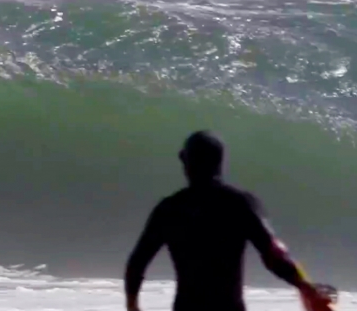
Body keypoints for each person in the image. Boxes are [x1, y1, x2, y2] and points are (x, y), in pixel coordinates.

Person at [123, 131, 334, 311]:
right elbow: (273, 253)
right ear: (219, 164)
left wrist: (133, 305)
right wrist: (304, 285)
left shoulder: (169, 209)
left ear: (188, 163)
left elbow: (137, 262)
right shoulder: (239, 203)